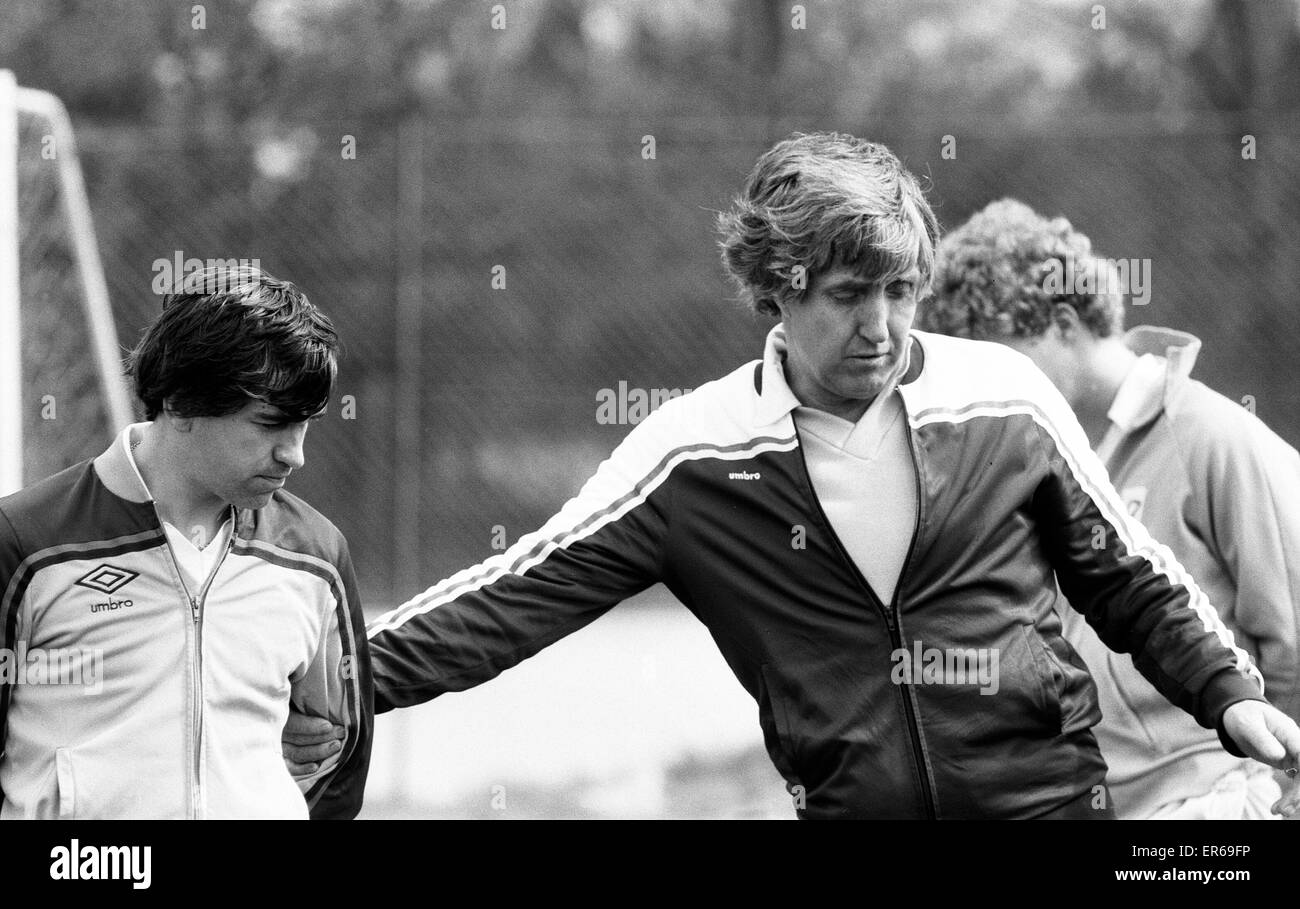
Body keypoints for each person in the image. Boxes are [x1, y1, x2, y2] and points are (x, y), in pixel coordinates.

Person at [289, 132, 1300, 819]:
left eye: (902, 291)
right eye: (850, 296)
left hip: (1052, 809)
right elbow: (515, 597)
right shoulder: (694, 453)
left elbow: (1126, 574)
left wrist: (1225, 691)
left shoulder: (1004, 397)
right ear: (776, 287)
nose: (883, 327)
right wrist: (341, 677)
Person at [920, 197, 1300, 819]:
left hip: (1218, 803)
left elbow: (1294, 629)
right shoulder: (1049, 464)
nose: (986, 391)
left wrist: (1286, 792)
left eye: (1000, 356)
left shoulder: (1212, 435)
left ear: (1064, 322)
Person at [0, 266, 372, 819]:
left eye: (306, 423)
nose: (294, 454)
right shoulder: (25, 542)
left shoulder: (315, 555)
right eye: (271, 424)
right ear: (179, 404)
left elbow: (340, 756)